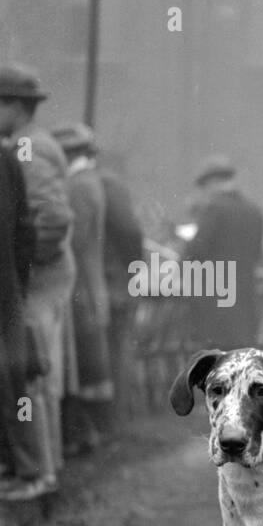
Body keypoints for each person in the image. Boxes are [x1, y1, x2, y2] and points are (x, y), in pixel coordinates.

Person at [0, 64, 74, 499]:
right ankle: (45, 470)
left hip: (39, 278)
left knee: (28, 375)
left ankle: (36, 475)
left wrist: (21, 266)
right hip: (43, 275)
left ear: (13, 105)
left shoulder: (25, 148)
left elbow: (51, 218)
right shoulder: (31, 144)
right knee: (35, 375)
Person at [0, 124, 38, 505]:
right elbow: (24, 231)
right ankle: (14, 472)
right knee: (10, 385)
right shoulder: (0, 152)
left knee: (7, 386)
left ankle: (17, 472)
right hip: (2, 292)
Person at [53, 122, 113, 455]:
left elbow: (74, 239)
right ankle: (88, 433)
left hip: (79, 286)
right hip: (92, 284)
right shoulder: (91, 182)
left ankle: (82, 435)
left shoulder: (77, 186)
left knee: (78, 366)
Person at [182, 155, 263, 349]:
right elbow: (257, 252)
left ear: (213, 182)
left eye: (205, 186)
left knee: (216, 352)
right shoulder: (254, 211)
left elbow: (196, 249)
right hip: (245, 294)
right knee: (242, 350)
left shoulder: (215, 209)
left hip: (216, 296)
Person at [98, 157, 145, 419]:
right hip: (115, 280)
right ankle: (117, 415)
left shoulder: (107, 185)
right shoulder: (110, 185)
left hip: (113, 280)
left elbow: (129, 232)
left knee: (116, 347)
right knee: (118, 346)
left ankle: (116, 416)